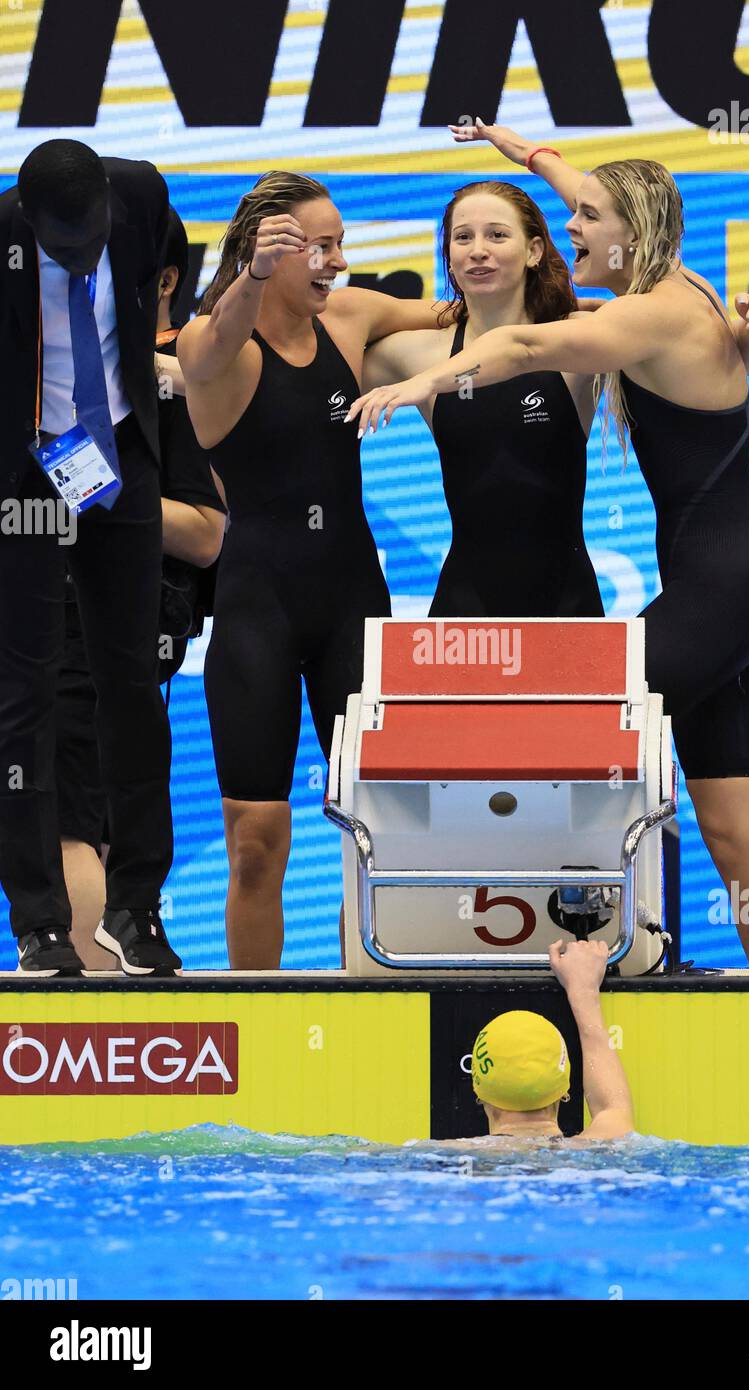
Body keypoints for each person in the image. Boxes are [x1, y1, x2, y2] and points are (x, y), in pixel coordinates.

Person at [348, 124, 749, 970]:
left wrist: (418, 383)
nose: (571, 231)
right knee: (740, 841)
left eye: (584, 221)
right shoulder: (679, 280)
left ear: (626, 232)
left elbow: (523, 344)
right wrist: (517, 147)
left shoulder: (647, 316)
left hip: (720, 597)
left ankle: (644, 946)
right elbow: (576, 185)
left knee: (589, 727)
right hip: (743, 592)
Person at [177, 172, 450, 970]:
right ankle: (258, 1015)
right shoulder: (209, 341)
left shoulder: (349, 316)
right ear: (267, 247)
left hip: (352, 603)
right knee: (256, 841)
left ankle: (367, 992)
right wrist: (252, 276)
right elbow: (215, 343)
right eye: (318, 246)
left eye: (339, 243)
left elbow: (467, 314)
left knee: (379, 827)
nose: (335, 261)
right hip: (258, 605)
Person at [0, 139, 180, 976]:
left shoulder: (140, 196)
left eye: (92, 239)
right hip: (27, 471)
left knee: (132, 685)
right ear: (27, 222)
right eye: (59, 247)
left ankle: (136, 907)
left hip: (122, 461)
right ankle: (38, 921)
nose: (81, 255)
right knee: (25, 693)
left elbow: (163, 292)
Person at [55, 208, 226, 970]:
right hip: (38, 620)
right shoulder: (46, 369)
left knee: (72, 816)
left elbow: (204, 531)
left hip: (105, 625)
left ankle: (95, 1006)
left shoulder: (175, 384)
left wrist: (83, 489)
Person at [362, 180, 603, 617]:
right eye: (463, 237)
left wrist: (747, 330)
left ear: (533, 251)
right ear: (450, 260)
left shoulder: (576, 342)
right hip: (463, 606)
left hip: (567, 605)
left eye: (497, 234)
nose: (477, 250)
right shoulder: (419, 353)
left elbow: (674, 324)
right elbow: (309, 380)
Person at [466, 940, 633, 1143]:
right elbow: (613, 1108)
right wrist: (584, 992)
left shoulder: (447, 1157)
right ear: (564, 1089)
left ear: (478, 1092)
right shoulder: (603, 1147)